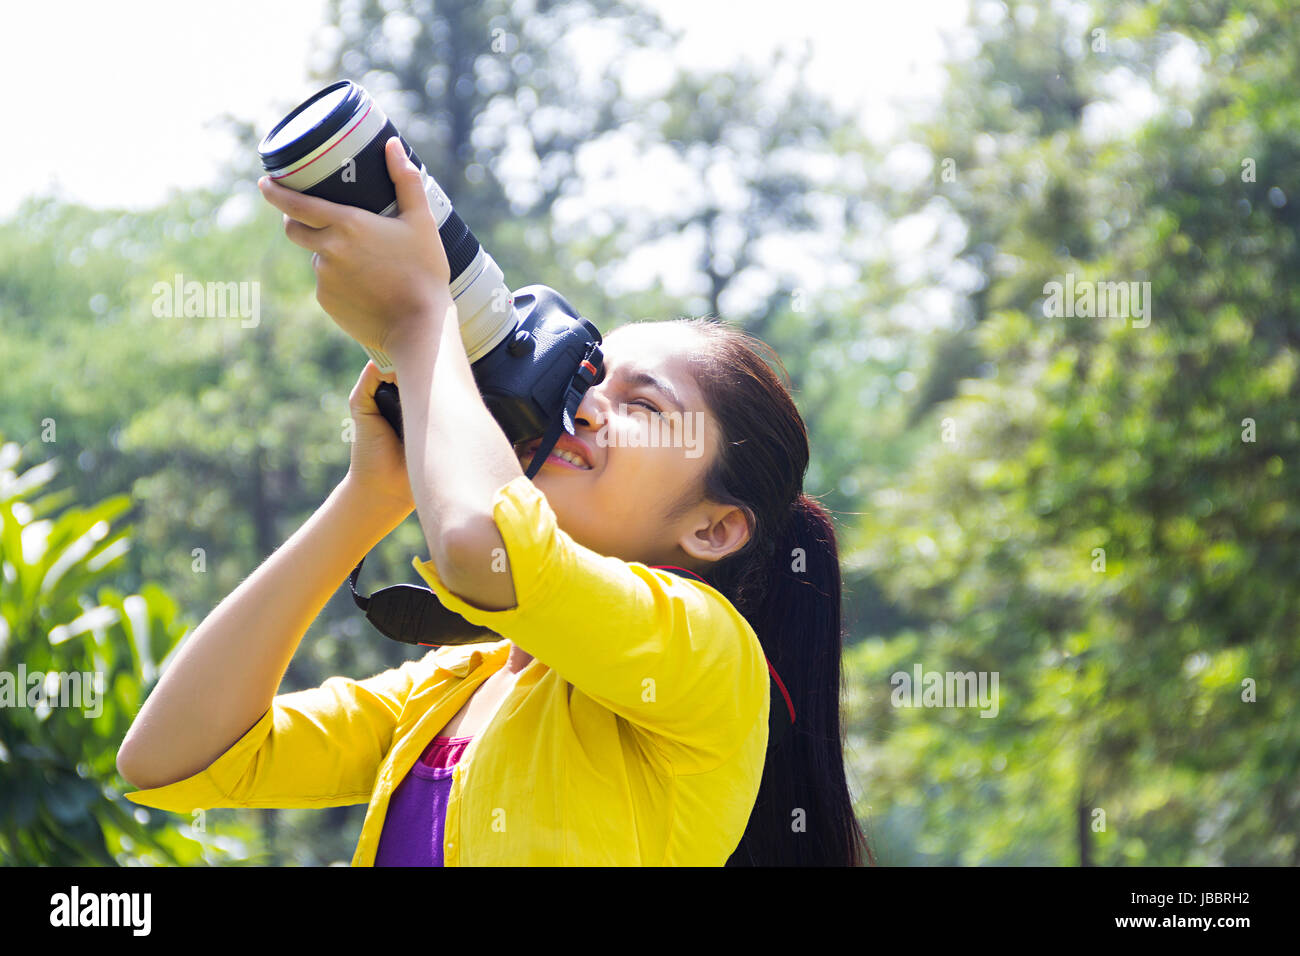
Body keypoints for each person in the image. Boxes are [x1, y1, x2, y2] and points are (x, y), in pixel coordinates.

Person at [116, 138, 870, 866]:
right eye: (589, 374)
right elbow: (170, 756)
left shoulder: (710, 657)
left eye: (643, 406)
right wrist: (368, 497)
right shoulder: (454, 689)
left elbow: (489, 552)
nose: (587, 403)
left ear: (714, 528)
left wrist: (422, 322)